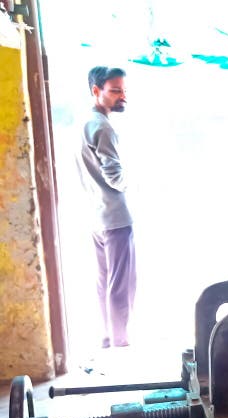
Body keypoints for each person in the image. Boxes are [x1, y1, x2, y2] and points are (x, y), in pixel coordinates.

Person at [77, 66, 135, 348]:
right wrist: (132, 180)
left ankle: (108, 337)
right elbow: (114, 176)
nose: (123, 96)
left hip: (97, 217)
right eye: (115, 91)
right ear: (96, 90)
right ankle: (120, 342)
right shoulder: (103, 127)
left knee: (105, 281)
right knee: (121, 284)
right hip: (115, 218)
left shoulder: (86, 123)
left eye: (123, 90)